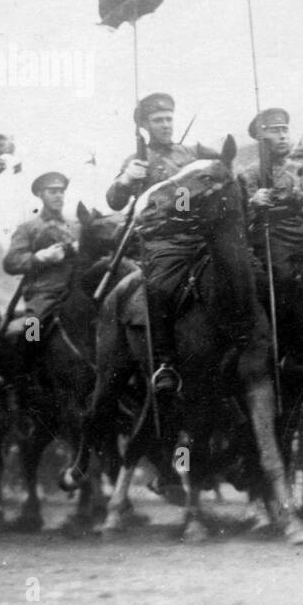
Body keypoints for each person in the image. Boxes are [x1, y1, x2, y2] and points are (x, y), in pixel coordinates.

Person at [105, 92, 218, 394]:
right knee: (159, 288)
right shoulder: (137, 160)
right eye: (158, 120)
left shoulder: (192, 154)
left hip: (200, 236)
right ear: (145, 125)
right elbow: (114, 201)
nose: (166, 124)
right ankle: (166, 362)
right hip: (162, 242)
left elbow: (220, 164)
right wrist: (126, 180)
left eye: (169, 118)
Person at [239, 108, 303, 290]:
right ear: (261, 138)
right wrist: (253, 203)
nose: (282, 136)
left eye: (284, 130)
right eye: (274, 131)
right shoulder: (250, 173)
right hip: (269, 237)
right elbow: (240, 219)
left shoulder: (302, 169)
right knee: (283, 278)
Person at [1, 172, 80, 337]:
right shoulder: (28, 228)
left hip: (76, 288)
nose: (59, 196)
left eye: (61, 191)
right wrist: (40, 257)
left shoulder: (75, 227)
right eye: (53, 192)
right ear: (40, 195)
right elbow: (11, 262)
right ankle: (27, 361)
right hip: (44, 293)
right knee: (32, 331)